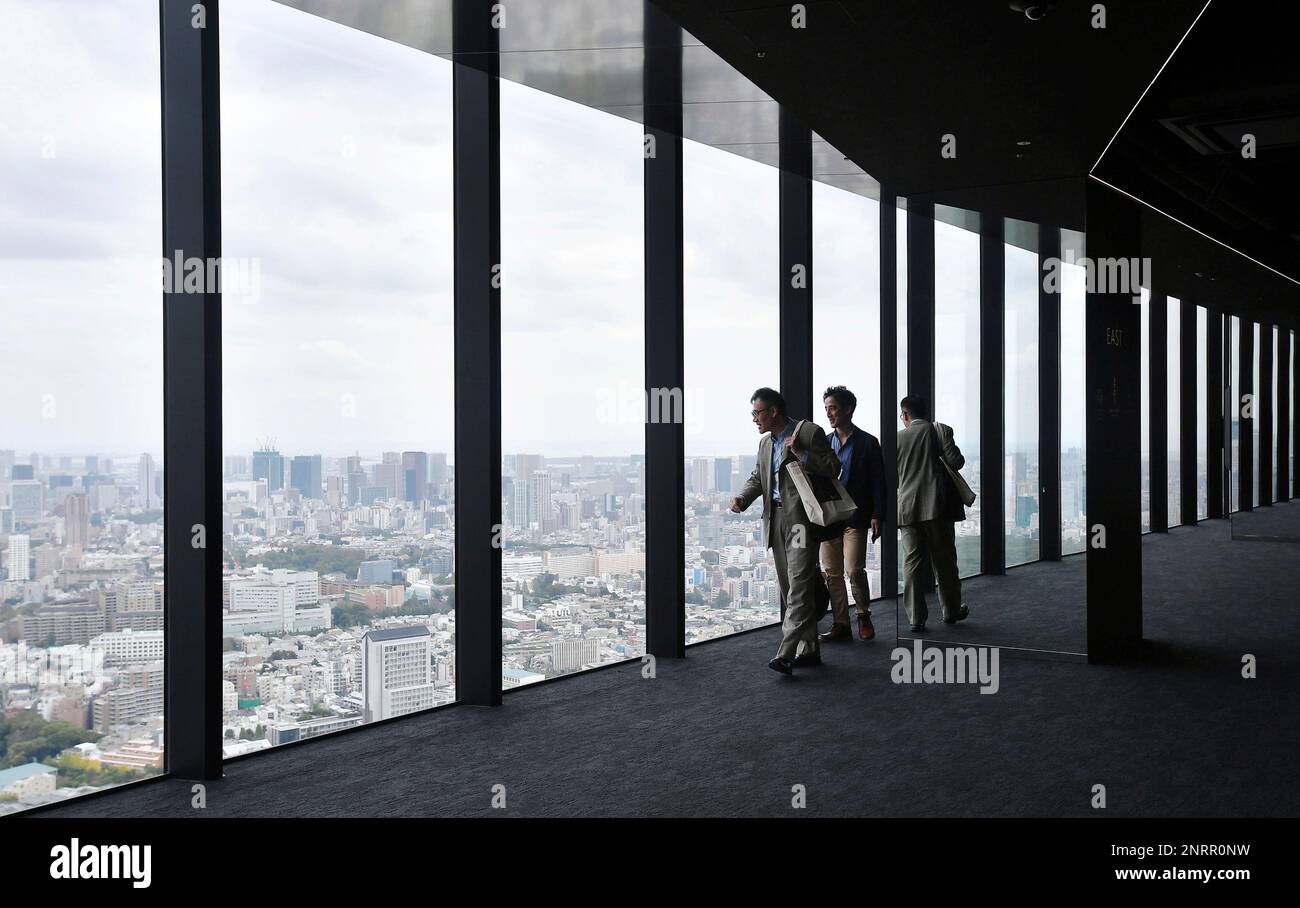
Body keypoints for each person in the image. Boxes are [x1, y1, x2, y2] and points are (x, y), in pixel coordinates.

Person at [731, 387, 841, 675]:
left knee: (800, 585)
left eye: (757, 413)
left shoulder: (808, 433)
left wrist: (803, 454)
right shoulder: (766, 444)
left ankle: (786, 652)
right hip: (776, 521)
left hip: (800, 522)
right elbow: (759, 477)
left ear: (773, 412)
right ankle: (810, 650)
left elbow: (833, 467)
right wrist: (743, 498)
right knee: (789, 586)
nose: (754, 419)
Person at [817, 386, 886, 643]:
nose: (828, 413)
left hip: (855, 516)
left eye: (832, 408)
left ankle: (863, 615)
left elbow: (879, 481)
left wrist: (878, 514)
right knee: (831, 573)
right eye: (826, 408)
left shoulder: (868, 442)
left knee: (854, 569)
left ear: (848, 409)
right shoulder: (824, 442)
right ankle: (841, 623)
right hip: (829, 518)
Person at [895, 395, 969, 632]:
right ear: (924, 412)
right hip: (938, 507)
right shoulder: (940, 431)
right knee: (945, 561)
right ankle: (951, 610)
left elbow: (893, 475)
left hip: (908, 509)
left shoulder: (896, 438)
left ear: (905, 415)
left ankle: (916, 618)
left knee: (912, 565)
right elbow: (955, 462)